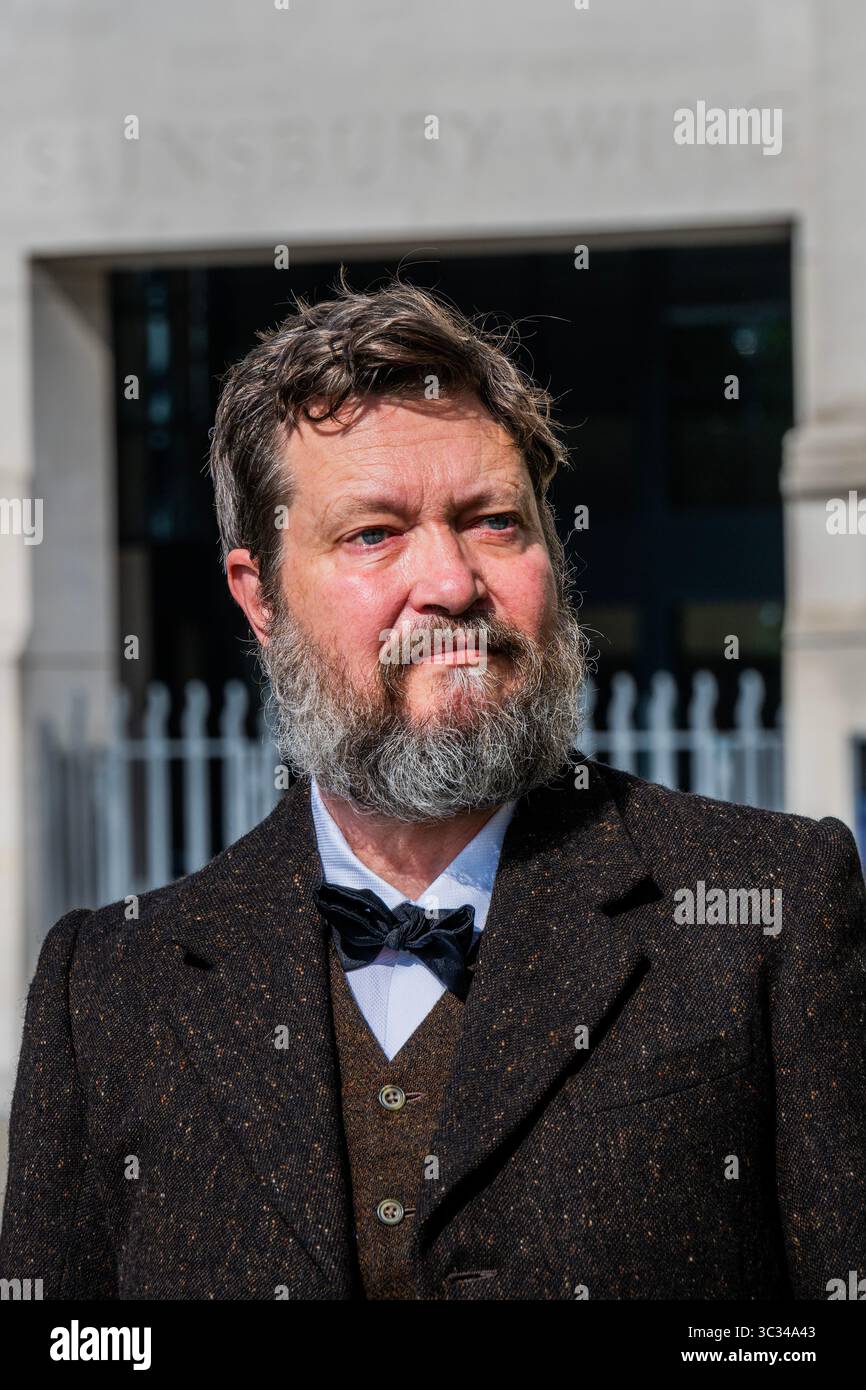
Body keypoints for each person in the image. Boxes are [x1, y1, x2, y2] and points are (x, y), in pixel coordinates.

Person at [2, 273, 864, 1300]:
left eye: (493, 520)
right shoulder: (108, 989)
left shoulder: (768, 907)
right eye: (373, 533)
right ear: (259, 596)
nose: (451, 582)